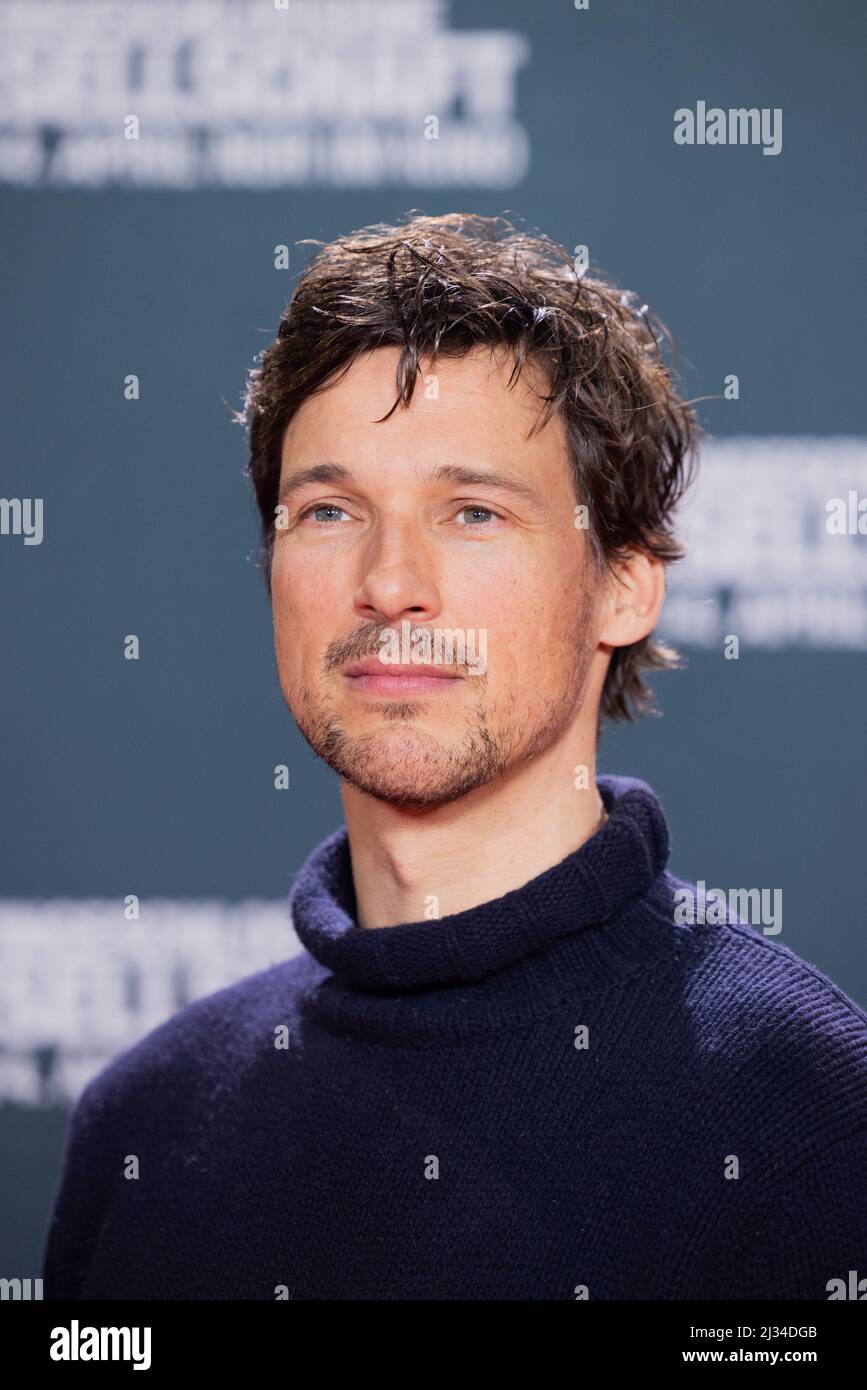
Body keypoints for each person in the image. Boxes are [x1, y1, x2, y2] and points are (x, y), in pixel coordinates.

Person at [42, 213, 867, 1299]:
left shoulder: (806, 1119)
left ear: (624, 581)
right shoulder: (146, 1128)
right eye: (329, 509)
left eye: (472, 512)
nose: (389, 583)